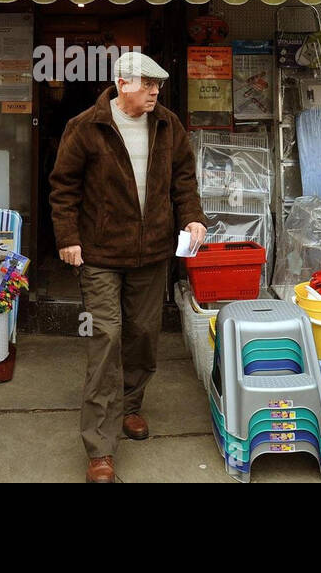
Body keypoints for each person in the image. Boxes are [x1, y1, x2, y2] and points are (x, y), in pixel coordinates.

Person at [48, 51, 207, 483]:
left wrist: (192, 216)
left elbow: (184, 179)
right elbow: (63, 188)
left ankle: (130, 404)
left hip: (152, 253)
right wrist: (68, 239)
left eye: (158, 85)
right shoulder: (85, 127)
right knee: (106, 337)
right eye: (147, 84)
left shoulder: (168, 125)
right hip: (99, 255)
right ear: (122, 84)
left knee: (142, 335)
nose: (155, 91)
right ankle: (100, 447)